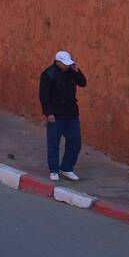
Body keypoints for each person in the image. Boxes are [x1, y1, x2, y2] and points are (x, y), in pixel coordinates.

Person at [39, 50, 87, 181]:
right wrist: (48, 113)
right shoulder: (48, 74)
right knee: (54, 144)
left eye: (69, 63)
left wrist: (76, 70)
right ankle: (54, 170)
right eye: (65, 64)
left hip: (71, 113)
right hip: (56, 114)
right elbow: (44, 96)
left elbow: (83, 83)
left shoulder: (71, 72)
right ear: (58, 62)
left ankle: (66, 167)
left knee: (75, 142)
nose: (67, 66)